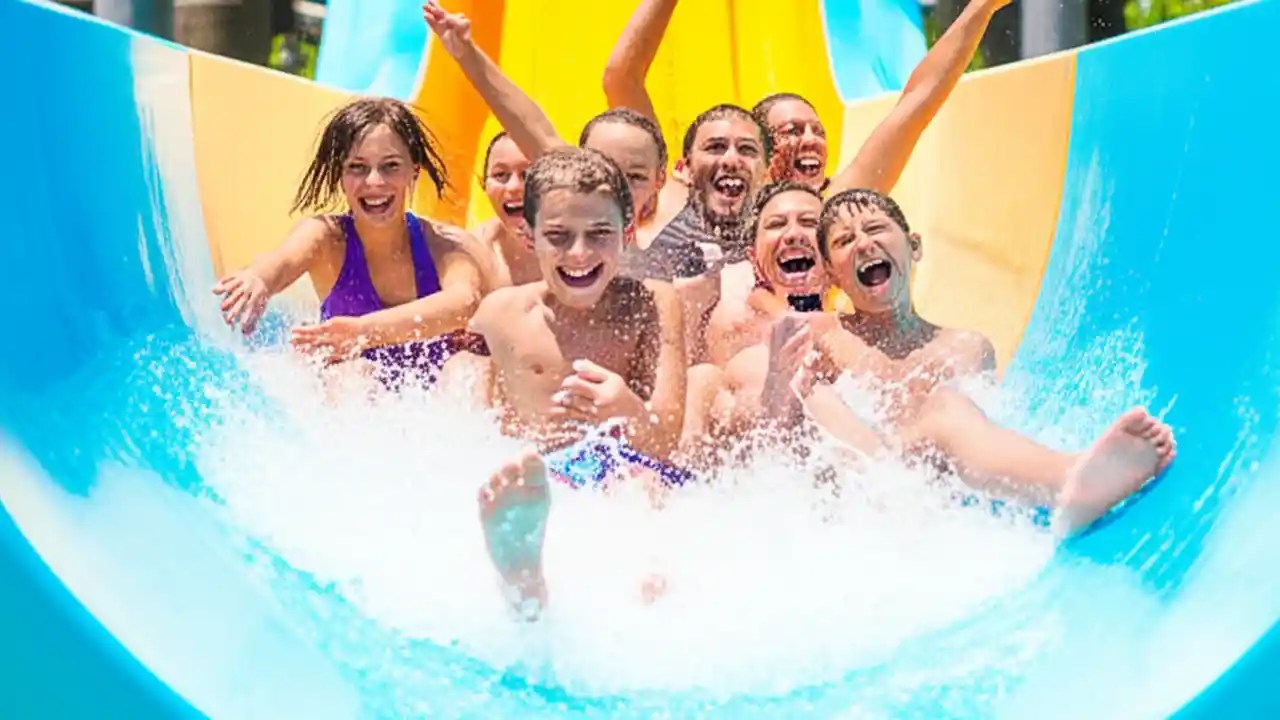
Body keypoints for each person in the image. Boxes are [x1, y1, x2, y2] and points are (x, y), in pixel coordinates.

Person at [750, 189, 1176, 535]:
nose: (863, 243)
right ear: (832, 274)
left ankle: (1065, 480)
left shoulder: (966, 347)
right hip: (858, 489)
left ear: (914, 247)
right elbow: (776, 443)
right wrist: (777, 380)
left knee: (951, 408)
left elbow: (990, 437)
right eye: (844, 242)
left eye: (876, 229)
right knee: (933, 408)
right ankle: (1067, 476)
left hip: (931, 500)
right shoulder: (820, 334)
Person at [466, 147, 686, 618]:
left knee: (645, 488)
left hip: (627, 469)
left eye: (599, 234)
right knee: (530, 491)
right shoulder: (500, 315)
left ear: (627, 233)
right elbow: (469, 421)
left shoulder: (652, 303)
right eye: (559, 237)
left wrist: (626, 406)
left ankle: (632, 589)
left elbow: (665, 439)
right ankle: (525, 574)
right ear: (529, 236)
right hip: (544, 477)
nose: (580, 253)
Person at [211, 97, 487, 386]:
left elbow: (463, 302)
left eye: (390, 166)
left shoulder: (440, 245)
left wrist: (360, 332)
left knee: (469, 369)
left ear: (413, 170)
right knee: (354, 375)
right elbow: (283, 259)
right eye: (357, 167)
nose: (374, 182)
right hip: (352, 401)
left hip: (432, 402)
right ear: (341, 176)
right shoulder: (329, 238)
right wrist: (259, 279)